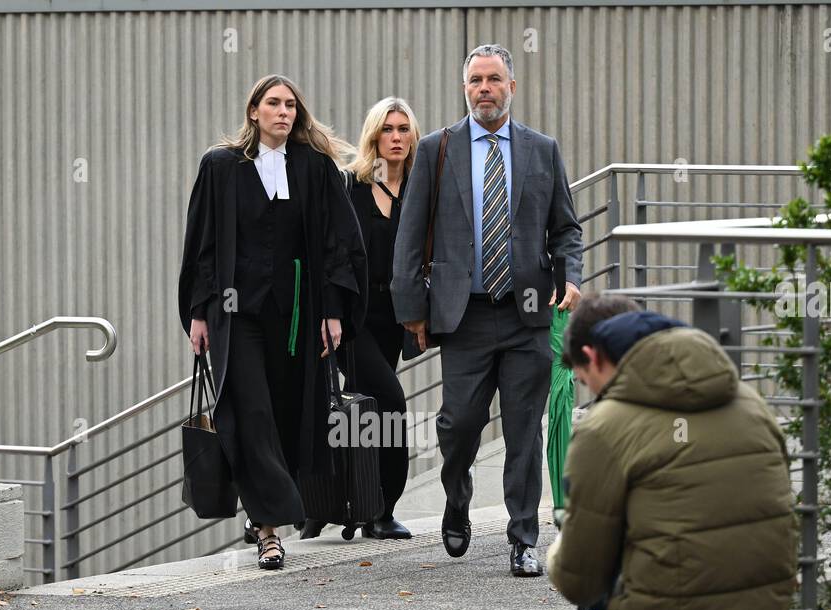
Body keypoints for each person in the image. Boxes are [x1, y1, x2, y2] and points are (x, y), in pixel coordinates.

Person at [541, 294, 798, 610]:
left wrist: (560, 546)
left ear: (593, 357)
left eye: (582, 379)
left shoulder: (605, 427)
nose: (586, 392)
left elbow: (578, 578)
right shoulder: (747, 399)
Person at [391, 43, 582, 578]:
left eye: (494, 79)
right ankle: (457, 496)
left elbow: (566, 228)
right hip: (464, 315)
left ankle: (523, 538)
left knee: (524, 429)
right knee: (458, 425)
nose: (484, 89)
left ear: (512, 87)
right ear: (464, 88)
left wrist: (571, 278)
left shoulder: (542, 150)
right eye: (475, 80)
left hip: (527, 314)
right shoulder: (437, 149)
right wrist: (412, 310)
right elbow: (409, 235)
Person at [178, 74, 369, 570]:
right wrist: (199, 311)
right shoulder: (220, 166)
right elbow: (202, 244)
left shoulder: (314, 168)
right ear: (254, 112)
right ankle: (269, 530)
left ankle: (258, 502)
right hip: (234, 315)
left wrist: (332, 311)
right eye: (273, 104)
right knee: (251, 411)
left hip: (297, 317)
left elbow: (337, 243)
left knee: (285, 414)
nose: (282, 112)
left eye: (290, 105)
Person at [302, 96, 420, 541]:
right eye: (387, 129)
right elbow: (330, 253)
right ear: (373, 135)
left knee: (357, 411)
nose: (396, 137)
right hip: (352, 318)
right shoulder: (349, 185)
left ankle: (336, 501)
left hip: (395, 319)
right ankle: (382, 508)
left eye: (403, 129)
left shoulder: (419, 186)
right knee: (389, 402)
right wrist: (327, 312)